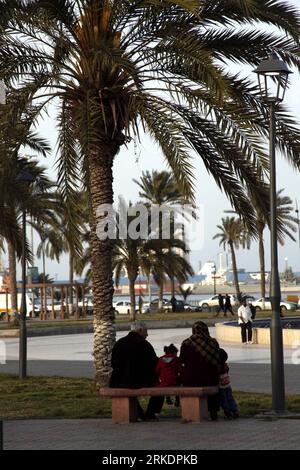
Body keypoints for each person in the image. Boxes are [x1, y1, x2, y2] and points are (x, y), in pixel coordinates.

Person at [109, 321, 159, 420]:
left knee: (128, 388)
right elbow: (154, 363)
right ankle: (150, 413)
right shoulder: (144, 344)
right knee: (160, 389)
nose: (147, 334)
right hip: (140, 381)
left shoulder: (120, 343)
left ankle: (139, 412)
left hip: (119, 381)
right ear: (140, 330)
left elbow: (113, 363)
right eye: (146, 331)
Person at [179, 321, 221, 420]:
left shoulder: (186, 343)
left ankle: (190, 413)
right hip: (209, 379)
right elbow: (217, 360)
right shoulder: (213, 342)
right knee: (213, 382)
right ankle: (213, 411)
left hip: (190, 380)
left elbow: (182, 360)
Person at [155, 344, 181, 409]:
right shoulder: (176, 359)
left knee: (166, 382)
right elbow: (180, 370)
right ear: (174, 352)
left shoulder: (160, 359)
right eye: (176, 353)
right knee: (177, 382)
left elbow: (157, 371)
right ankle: (177, 400)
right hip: (174, 381)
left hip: (163, 382)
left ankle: (168, 397)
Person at [219, 348, 239, 419]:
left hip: (221, 386)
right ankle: (234, 410)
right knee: (230, 398)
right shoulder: (225, 366)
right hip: (227, 385)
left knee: (224, 399)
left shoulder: (218, 367)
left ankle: (227, 412)